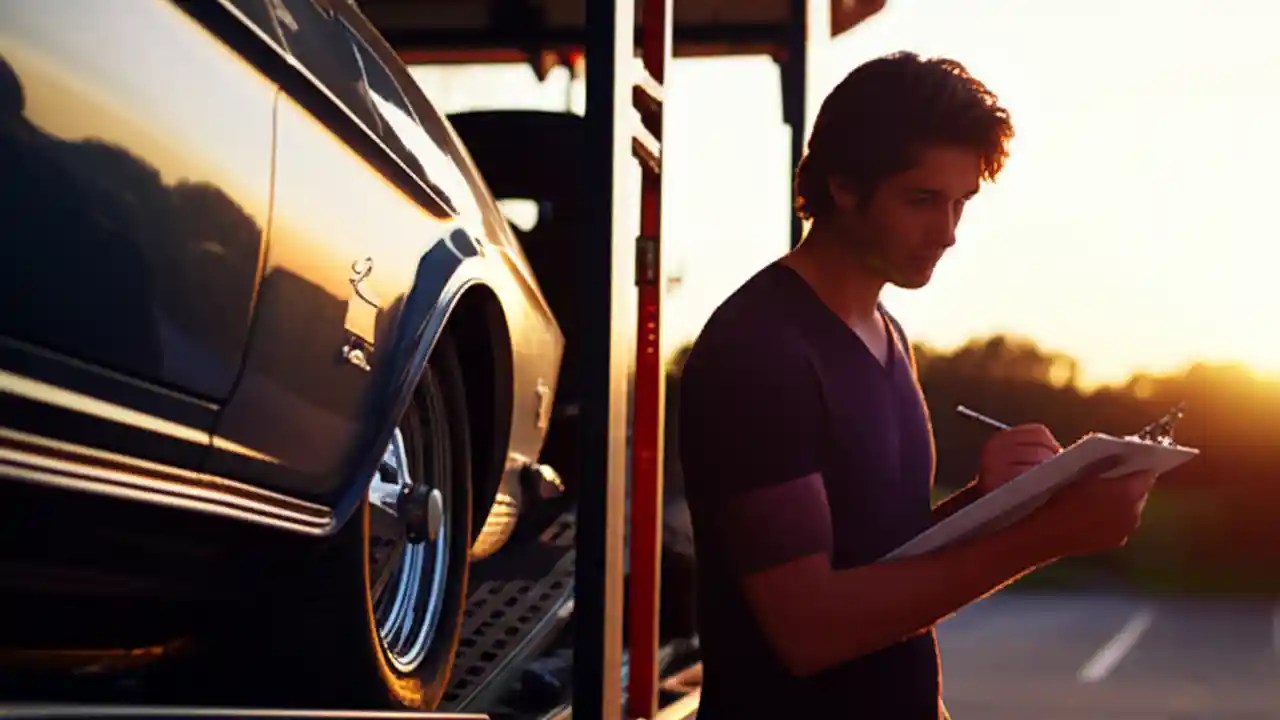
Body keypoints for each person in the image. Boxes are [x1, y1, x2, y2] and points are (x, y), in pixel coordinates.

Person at [677, 51, 1158, 719]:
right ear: (842, 185)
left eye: (962, 202)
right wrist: (1049, 535)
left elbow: (878, 561)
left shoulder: (885, 332)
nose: (949, 232)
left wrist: (995, 504)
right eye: (923, 200)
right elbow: (808, 628)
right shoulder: (760, 351)